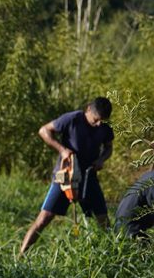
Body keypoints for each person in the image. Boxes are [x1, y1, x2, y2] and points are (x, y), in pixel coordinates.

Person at [18, 97, 114, 256]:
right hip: (66, 177)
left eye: (102, 121)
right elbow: (44, 130)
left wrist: (101, 160)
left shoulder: (104, 126)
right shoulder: (72, 119)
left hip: (89, 176)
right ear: (88, 109)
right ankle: (20, 257)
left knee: (103, 220)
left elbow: (109, 147)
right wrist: (62, 150)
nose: (98, 124)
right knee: (44, 219)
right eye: (96, 120)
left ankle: (113, 258)